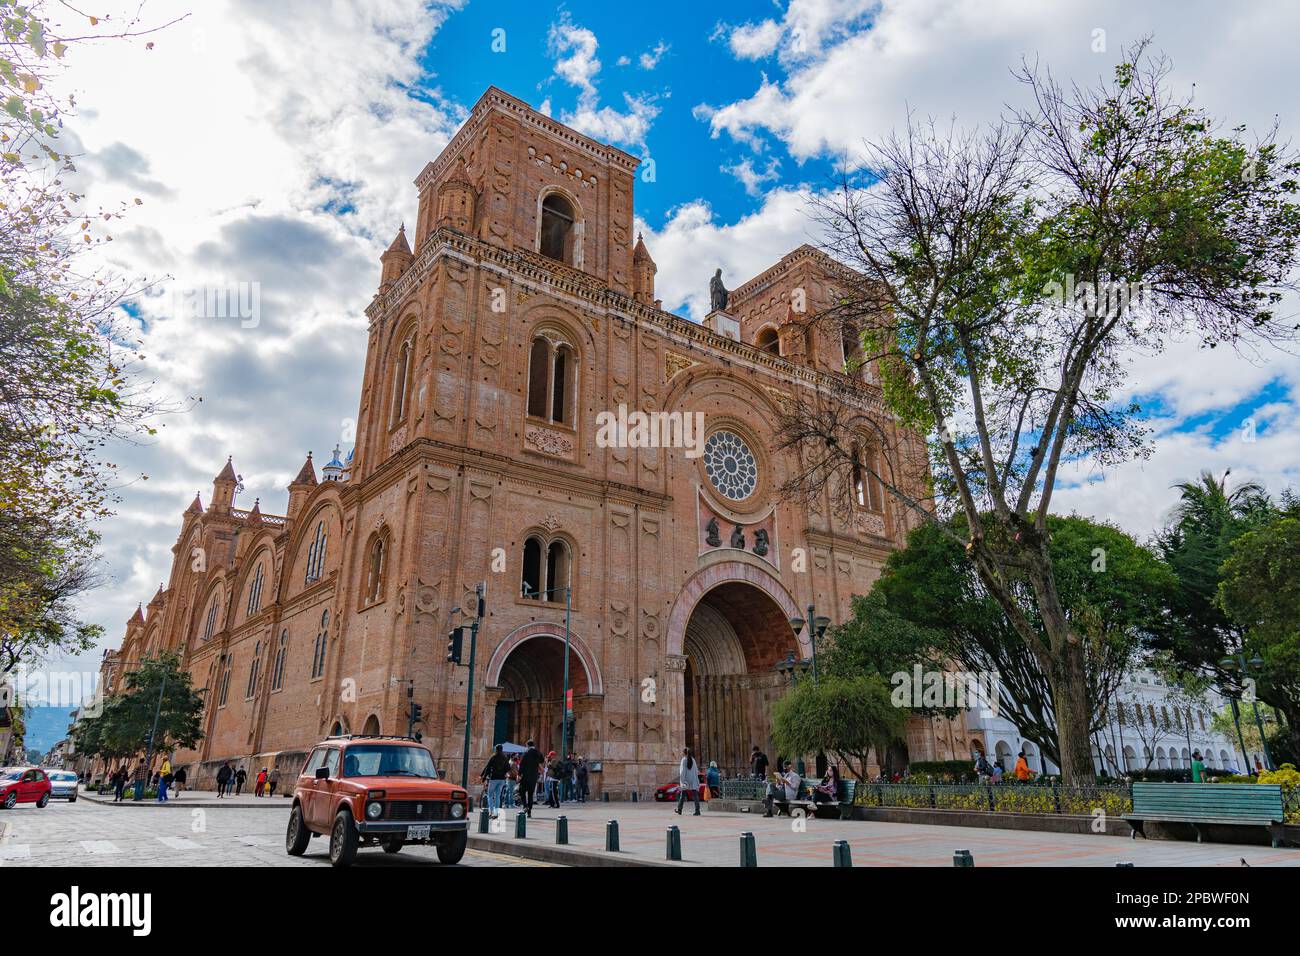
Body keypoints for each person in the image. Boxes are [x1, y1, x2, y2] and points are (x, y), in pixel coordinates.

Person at [481, 744, 510, 815]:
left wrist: (484, 777)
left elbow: (487, 768)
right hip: (502, 779)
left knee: (490, 795)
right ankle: (496, 812)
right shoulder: (505, 758)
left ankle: (491, 811)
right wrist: (503, 772)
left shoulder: (493, 757)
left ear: (496, 749)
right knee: (498, 796)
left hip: (493, 778)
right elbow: (508, 768)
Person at [518, 739, 543, 818]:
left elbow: (522, 764)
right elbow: (542, 760)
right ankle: (529, 812)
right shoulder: (538, 752)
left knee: (522, 792)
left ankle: (525, 806)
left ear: (527, 745)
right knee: (530, 794)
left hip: (525, 776)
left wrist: (519, 774)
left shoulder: (526, 753)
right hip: (534, 777)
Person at [675, 747, 702, 816]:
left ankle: (679, 810)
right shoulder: (693, 760)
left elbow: (682, 772)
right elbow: (696, 771)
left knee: (682, 795)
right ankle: (697, 810)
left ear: (684, 753)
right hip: (693, 780)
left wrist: (682, 781)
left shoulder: (684, 760)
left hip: (686, 780)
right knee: (695, 795)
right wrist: (696, 780)